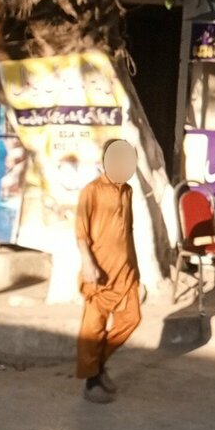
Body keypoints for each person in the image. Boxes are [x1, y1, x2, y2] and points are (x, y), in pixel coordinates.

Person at [75, 138, 141, 404]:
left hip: (125, 272)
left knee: (132, 319)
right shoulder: (91, 191)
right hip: (99, 273)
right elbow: (80, 233)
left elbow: (129, 232)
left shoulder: (128, 191)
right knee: (93, 329)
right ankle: (92, 382)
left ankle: (98, 364)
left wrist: (136, 268)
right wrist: (88, 263)